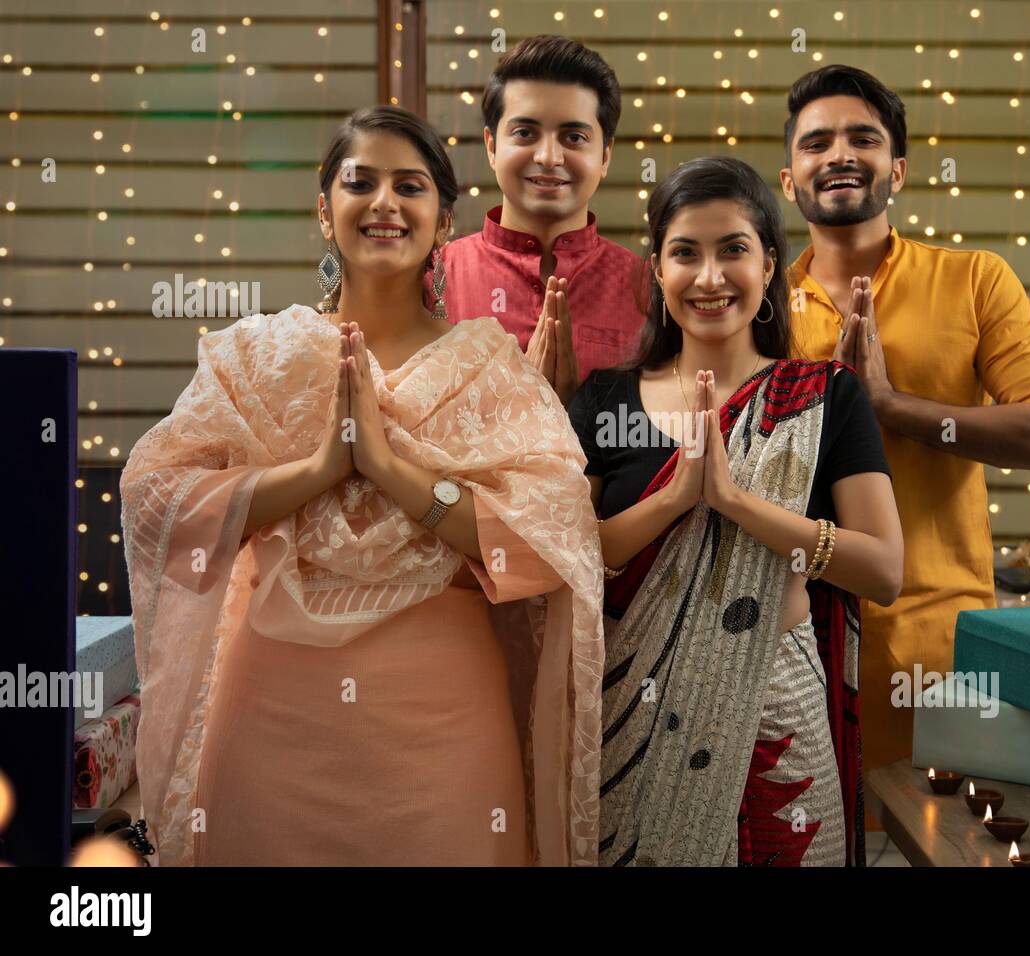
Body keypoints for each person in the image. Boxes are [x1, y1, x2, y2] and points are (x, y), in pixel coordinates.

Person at [119, 105, 604, 867]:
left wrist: (392, 472)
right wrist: (317, 471)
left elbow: (550, 546)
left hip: (440, 722)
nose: (384, 203)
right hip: (273, 720)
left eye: (409, 187)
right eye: (360, 183)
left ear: (443, 221)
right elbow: (159, 503)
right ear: (324, 210)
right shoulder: (259, 357)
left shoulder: (487, 372)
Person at [568, 156, 903, 866]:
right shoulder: (604, 400)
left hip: (776, 711)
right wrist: (672, 500)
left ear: (769, 265)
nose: (710, 277)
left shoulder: (823, 396)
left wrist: (737, 503)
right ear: (656, 269)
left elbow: (883, 569)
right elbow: (569, 555)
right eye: (685, 252)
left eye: (734, 250)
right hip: (634, 713)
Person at [779, 65, 1030, 810]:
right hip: (790, 646)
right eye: (817, 142)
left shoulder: (975, 280)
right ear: (789, 181)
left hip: (935, 652)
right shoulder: (759, 302)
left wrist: (891, 404)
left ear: (898, 169)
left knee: (940, 845)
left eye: (863, 138)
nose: (839, 153)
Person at [440, 34, 648, 404]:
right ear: (491, 146)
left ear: (605, 156)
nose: (549, 157)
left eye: (573, 137)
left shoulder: (645, 289)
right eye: (525, 133)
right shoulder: (436, 277)